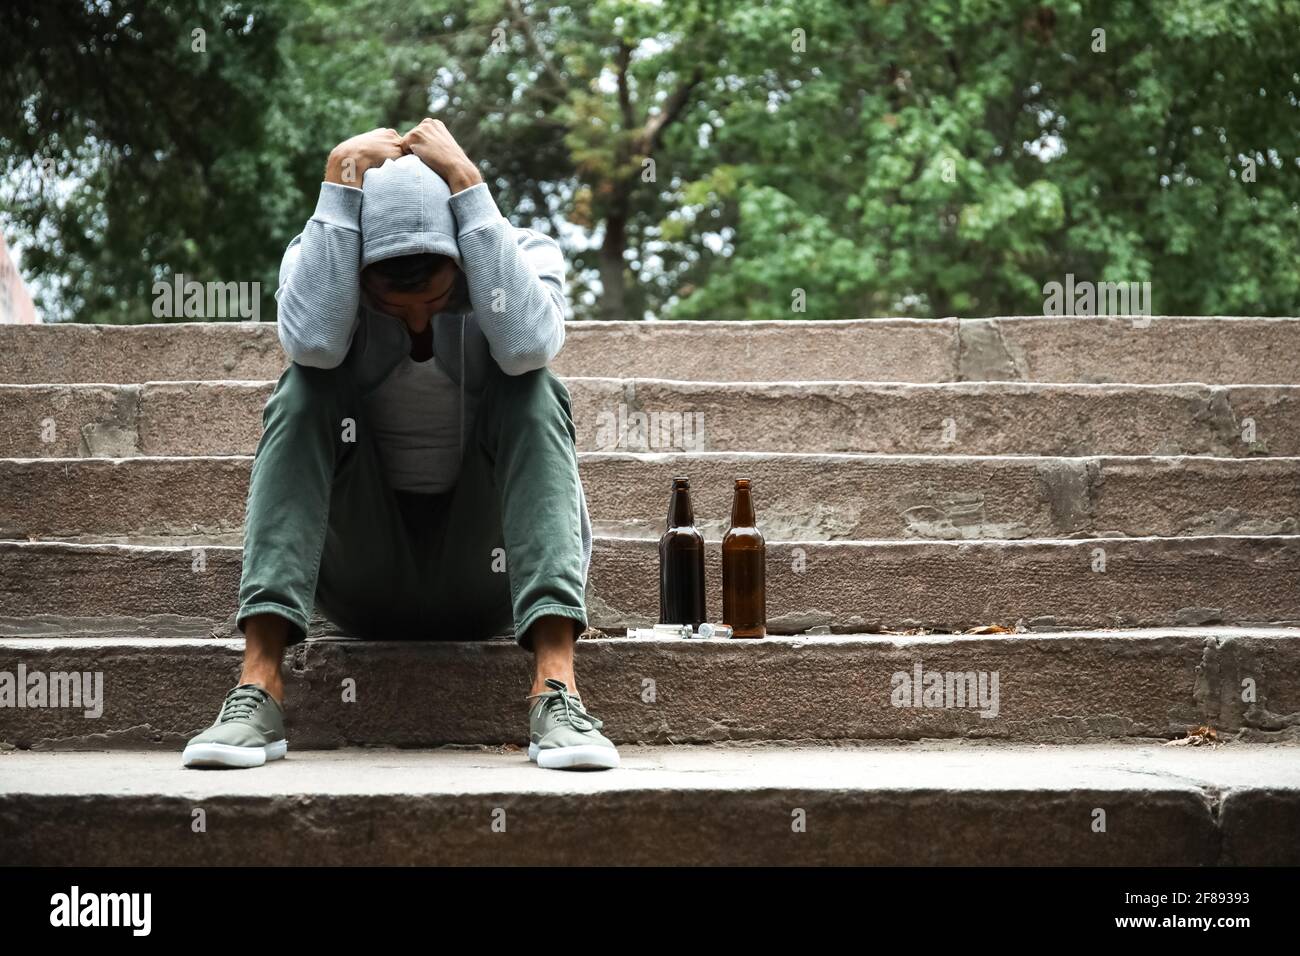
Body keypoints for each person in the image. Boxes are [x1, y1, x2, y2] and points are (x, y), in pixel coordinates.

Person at [182, 119, 618, 772]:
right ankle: (258, 687)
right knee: (306, 388)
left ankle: (556, 692)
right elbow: (314, 345)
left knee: (532, 387)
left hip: (487, 576)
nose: (418, 323)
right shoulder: (323, 253)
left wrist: (467, 183)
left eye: (437, 299)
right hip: (362, 577)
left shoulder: (521, 252)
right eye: (394, 305)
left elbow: (528, 344)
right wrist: (339, 174)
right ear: (362, 276)